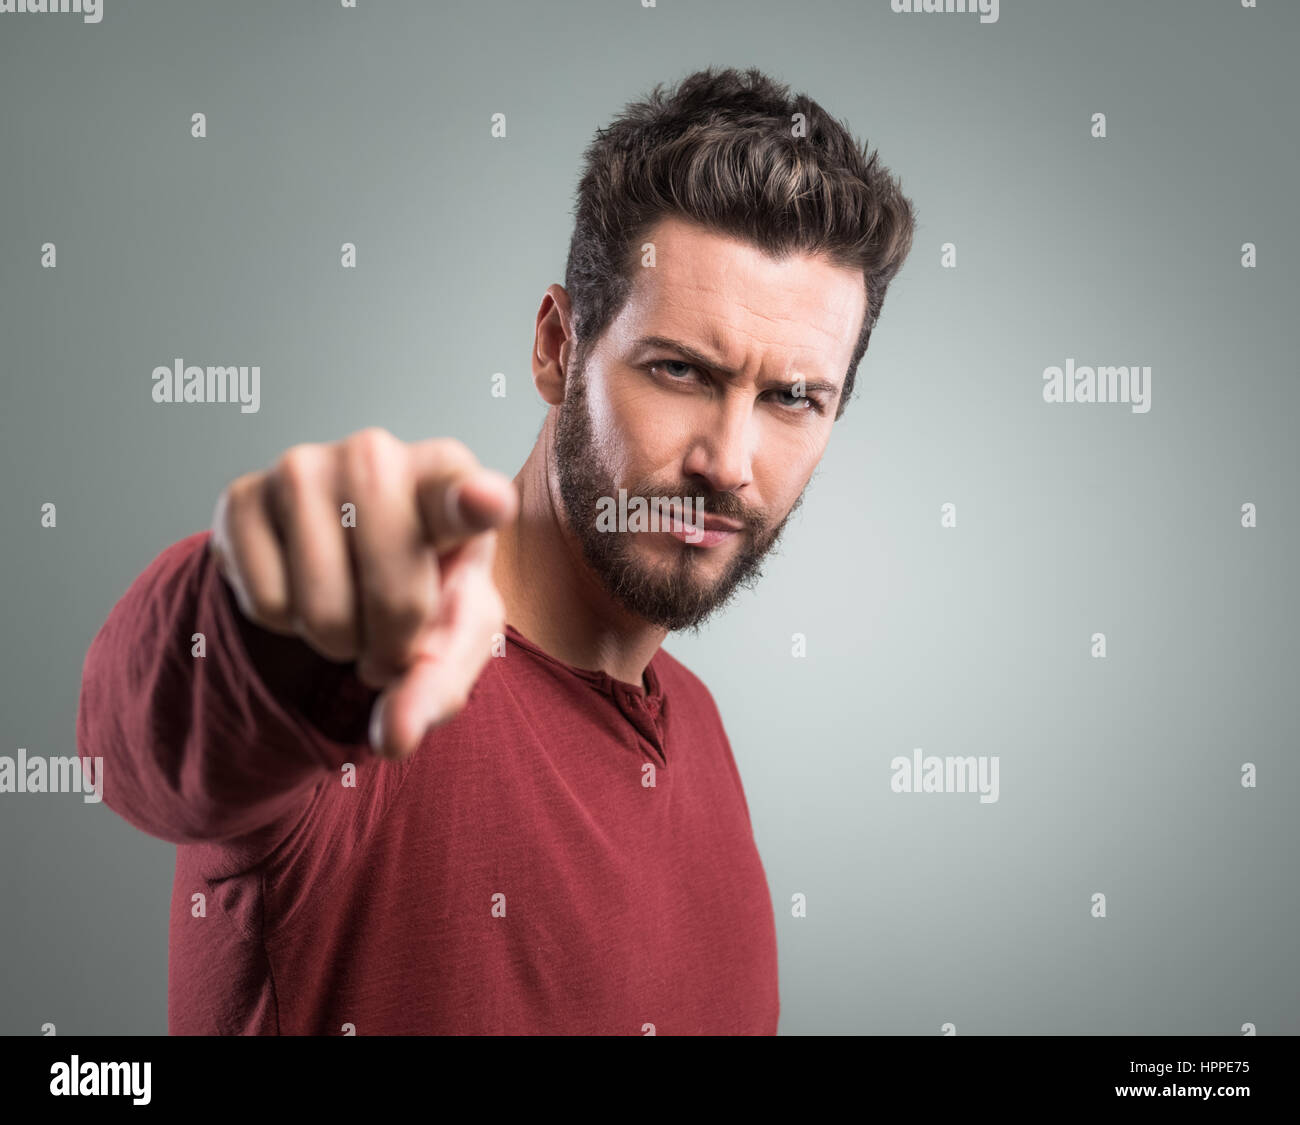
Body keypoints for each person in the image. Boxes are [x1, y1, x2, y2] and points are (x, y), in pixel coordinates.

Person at [76, 65, 916, 1035]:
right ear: (559, 346)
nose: (727, 462)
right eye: (680, 370)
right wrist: (260, 610)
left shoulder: (700, 729)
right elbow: (143, 733)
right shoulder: (376, 669)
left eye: (791, 398)